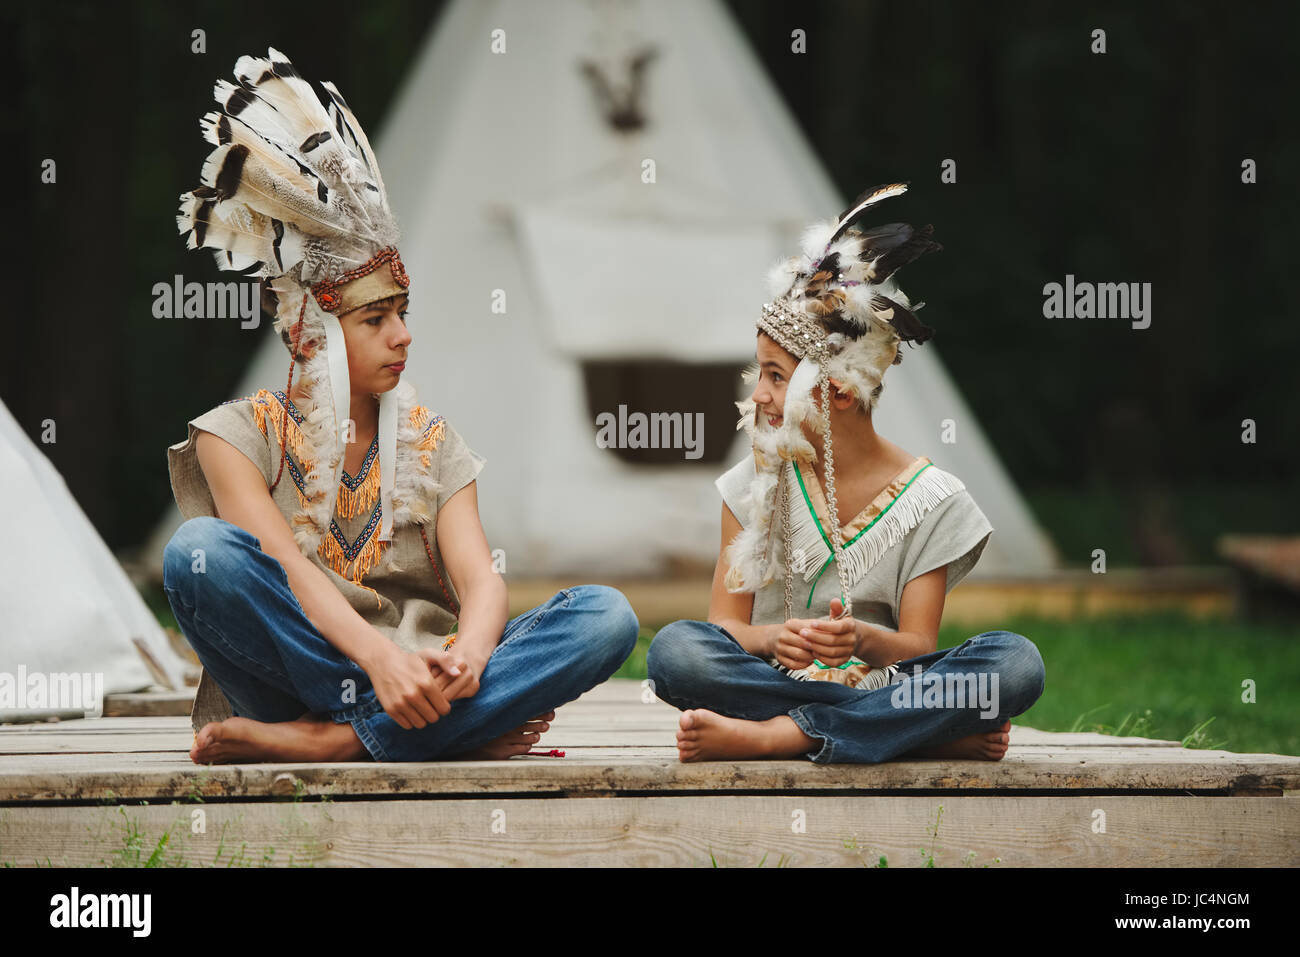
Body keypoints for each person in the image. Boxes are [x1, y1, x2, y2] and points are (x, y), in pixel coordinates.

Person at [164, 48, 638, 764]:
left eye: (403, 312)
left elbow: (482, 582)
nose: (403, 335)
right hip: (301, 678)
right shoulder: (233, 435)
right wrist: (378, 666)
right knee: (196, 554)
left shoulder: (434, 443)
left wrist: (474, 656)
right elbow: (286, 565)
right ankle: (438, 728)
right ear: (311, 327)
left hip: (428, 673)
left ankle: (340, 742)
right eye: (375, 318)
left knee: (607, 616)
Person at [646, 183, 1045, 764]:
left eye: (776, 376)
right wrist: (771, 638)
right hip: (776, 677)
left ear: (832, 391)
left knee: (1014, 664)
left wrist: (860, 639)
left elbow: (917, 647)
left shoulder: (934, 500)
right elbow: (723, 627)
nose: (758, 394)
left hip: (885, 683)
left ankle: (786, 735)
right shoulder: (752, 483)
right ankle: (915, 733)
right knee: (674, 652)